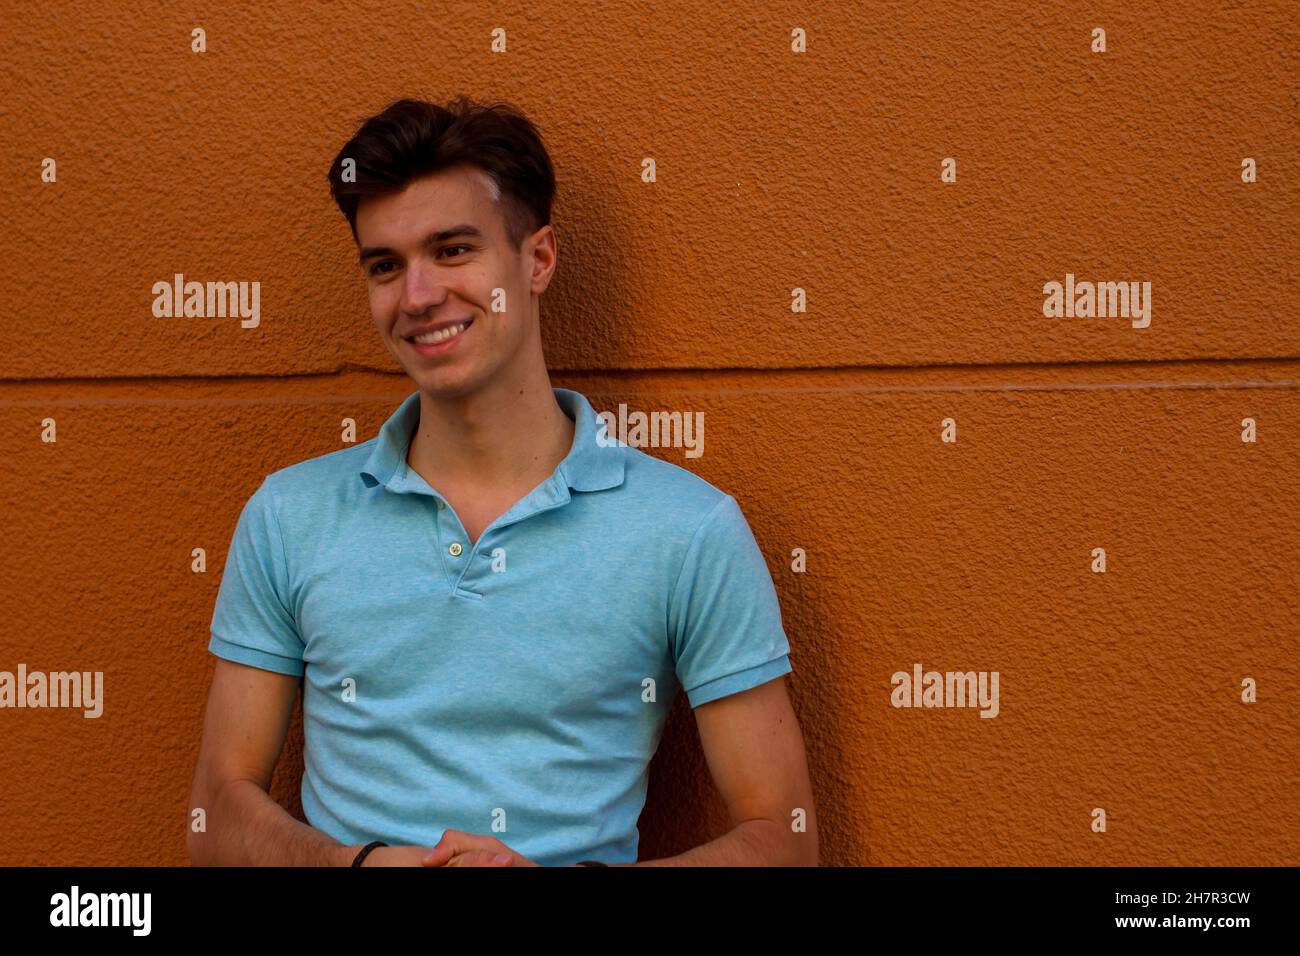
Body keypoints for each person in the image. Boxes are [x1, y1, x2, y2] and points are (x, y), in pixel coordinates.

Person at [186, 95, 817, 867]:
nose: (416, 297)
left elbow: (783, 842)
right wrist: (359, 866)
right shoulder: (289, 515)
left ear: (538, 259)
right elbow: (215, 819)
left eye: (452, 251)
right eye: (386, 265)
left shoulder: (687, 532)